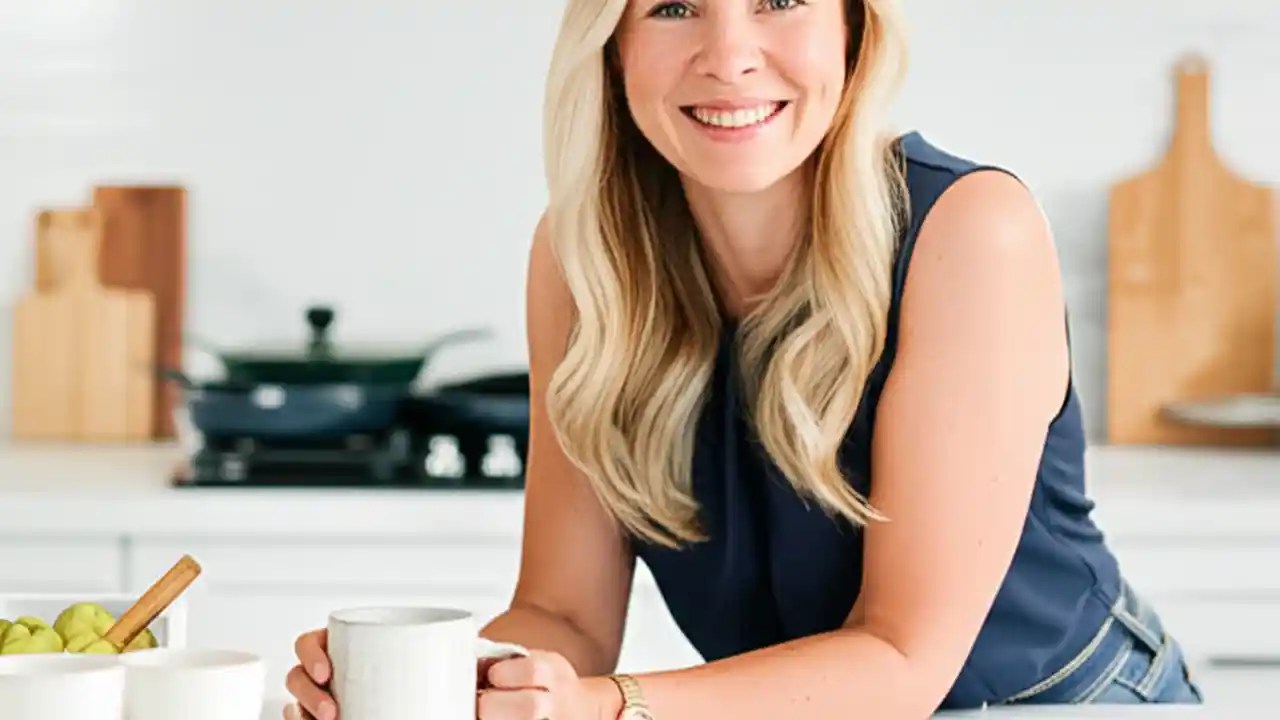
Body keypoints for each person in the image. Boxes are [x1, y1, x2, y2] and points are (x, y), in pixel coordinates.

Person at [285, 0, 1206, 718]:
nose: (728, 55)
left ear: (853, 29)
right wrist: (445, 684)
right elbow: (564, 617)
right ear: (613, 44)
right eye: (674, 7)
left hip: (1061, 707)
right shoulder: (582, 259)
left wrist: (605, 707)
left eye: (780, 0)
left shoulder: (968, 231)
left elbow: (901, 660)